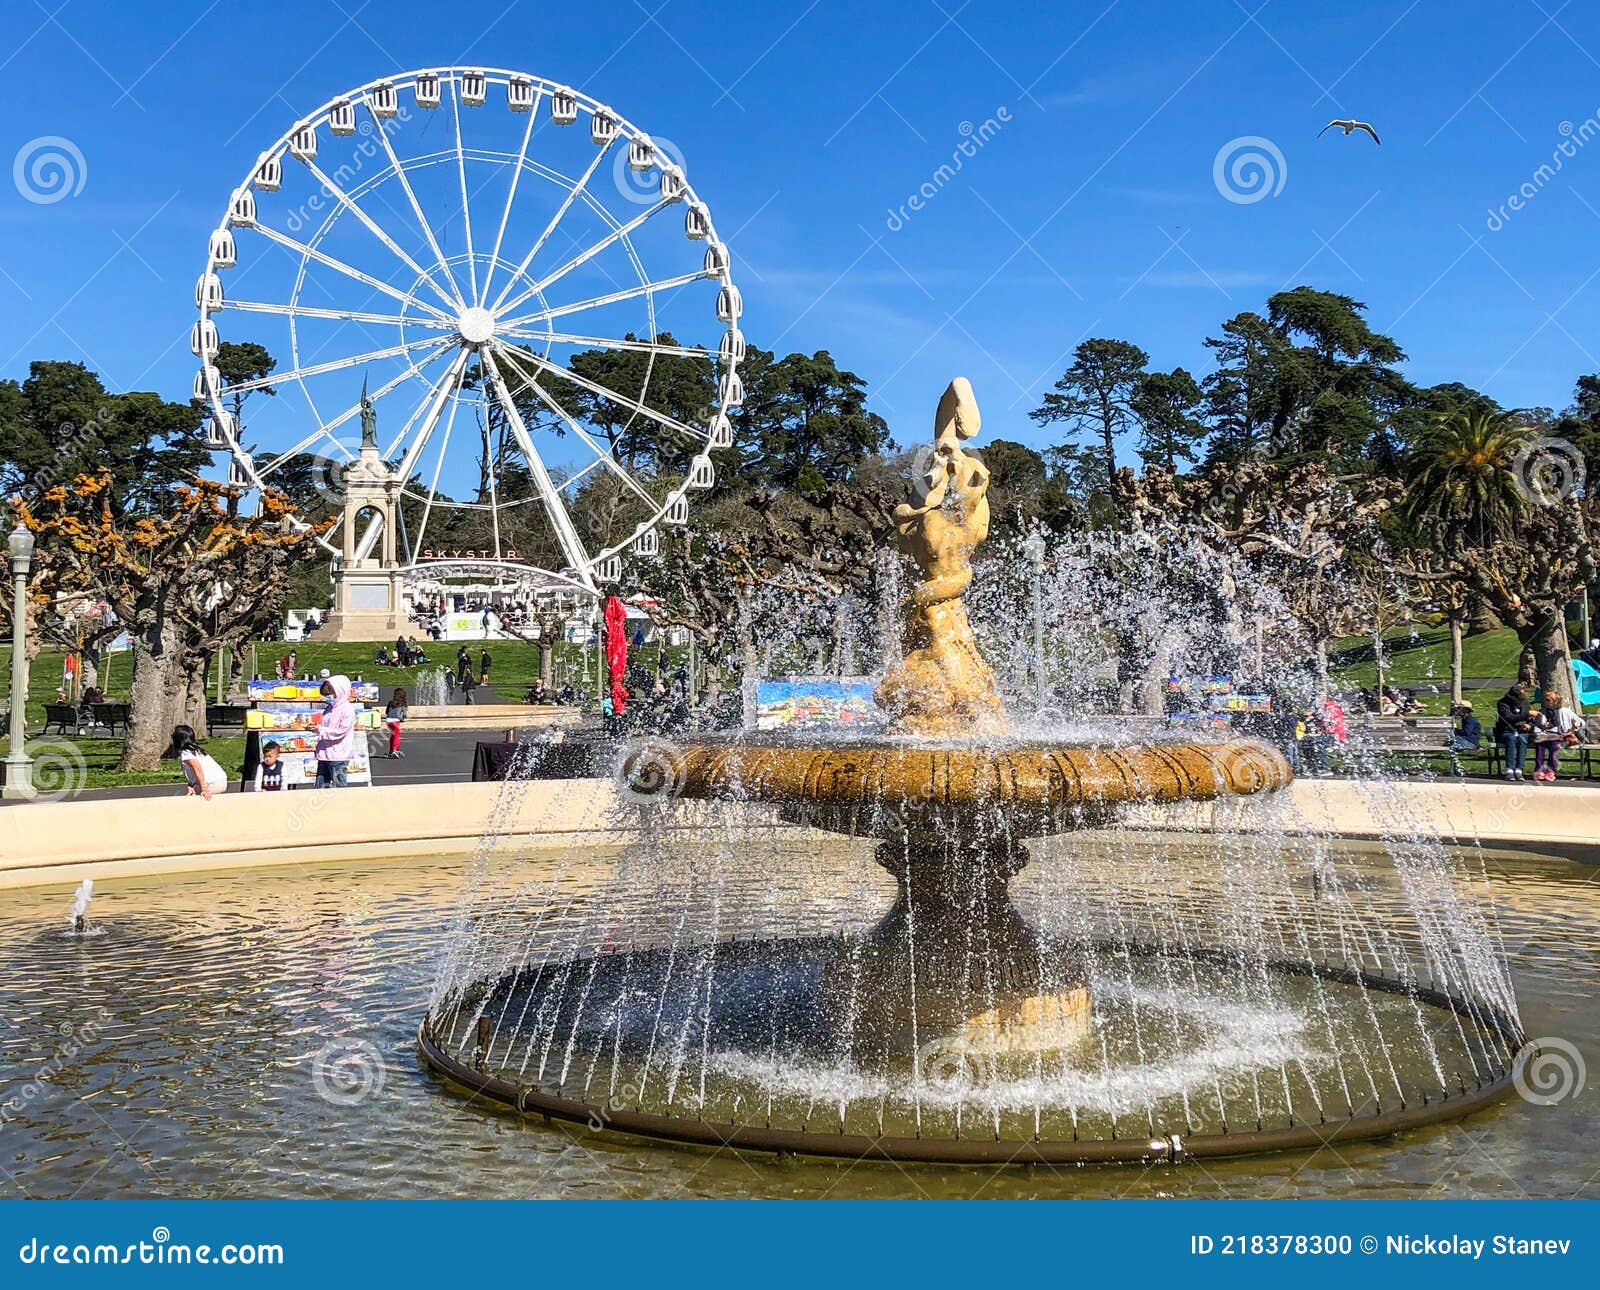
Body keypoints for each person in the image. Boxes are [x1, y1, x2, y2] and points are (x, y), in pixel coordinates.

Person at [1531, 689, 1582, 782]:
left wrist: (1576, 725)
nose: (1545, 702)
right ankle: (1539, 770)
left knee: (1554, 747)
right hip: (1544, 735)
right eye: (1545, 700)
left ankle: (1551, 771)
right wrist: (1539, 721)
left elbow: (1580, 721)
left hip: (1560, 736)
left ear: (1555, 702)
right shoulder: (1543, 711)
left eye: (1548, 700)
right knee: (1540, 747)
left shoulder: (1565, 711)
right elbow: (1537, 724)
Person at [314, 674, 356, 788]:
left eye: (329, 695)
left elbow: (341, 732)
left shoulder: (347, 710)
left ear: (339, 692)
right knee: (320, 786)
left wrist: (321, 730)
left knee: (339, 786)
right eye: (325, 695)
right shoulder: (329, 708)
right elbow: (325, 726)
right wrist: (316, 728)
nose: (327, 698)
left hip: (339, 755)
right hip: (324, 753)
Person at [173, 724, 227, 800]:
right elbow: (192, 771)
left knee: (191, 800)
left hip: (212, 783)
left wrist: (204, 789)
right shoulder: (196, 750)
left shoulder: (186, 753)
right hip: (221, 780)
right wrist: (191, 785)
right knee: (193, 796)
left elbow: (197, 768)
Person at [1493, 683, 1534, 781]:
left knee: (1522, 739)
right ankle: (1510, 769)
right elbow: (1508, 718)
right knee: (1511, 739)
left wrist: (1529, 725)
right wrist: (1526, 715)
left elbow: (1530, 720)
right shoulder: (1503, 703)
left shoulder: (1525, 703)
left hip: (1521, 731)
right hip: (1506, 731)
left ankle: (1519, 769)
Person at [384, 687, 408, 759]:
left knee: (393, 735)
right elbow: (404, 715)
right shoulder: (403, 704)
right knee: (397, 736)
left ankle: (391, 751)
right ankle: (394, 750)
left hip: (388, 721)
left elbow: (387, 712)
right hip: (395, 721)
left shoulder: (390, 702)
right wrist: (402, 719)